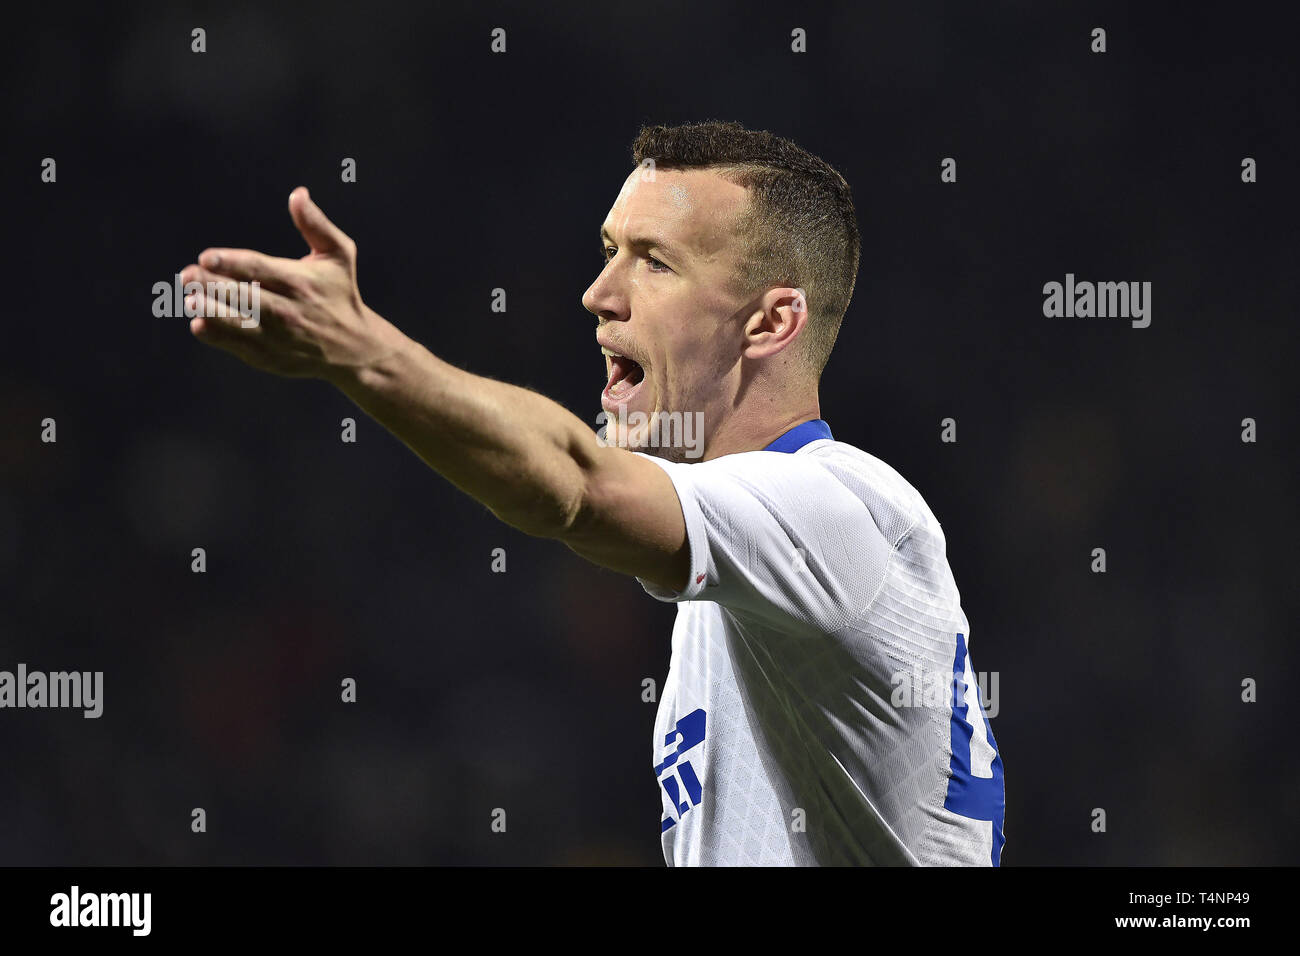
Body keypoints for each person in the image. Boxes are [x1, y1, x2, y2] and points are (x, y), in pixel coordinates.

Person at [179, 119, 1004, 866]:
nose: (599, 294)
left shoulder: (841, 512)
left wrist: (363, 354)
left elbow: (573, 485)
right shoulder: (742, 581)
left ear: (769, 323)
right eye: (609, 250)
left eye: (654, 261)